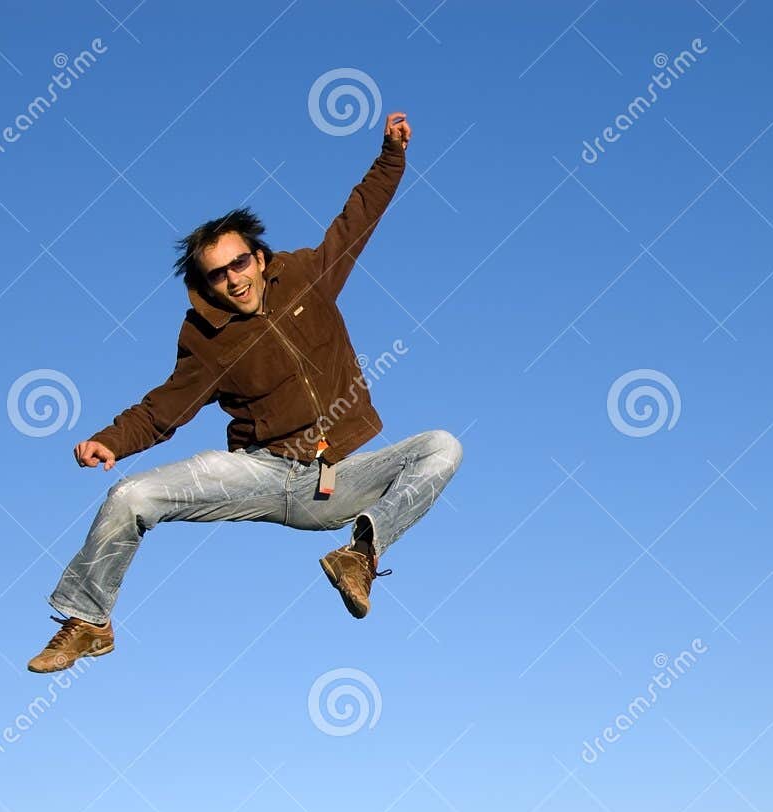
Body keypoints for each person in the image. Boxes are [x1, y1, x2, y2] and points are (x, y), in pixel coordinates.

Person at [27, 111, 461, 674]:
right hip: (259, 473)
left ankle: (360, 555)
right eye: (218, 275)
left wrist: (391, 157)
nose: (235, 280)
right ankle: (88, 621)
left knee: (442, 446)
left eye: (240, 264)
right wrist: (112, 439)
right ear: (204, 284)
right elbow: (166, 406)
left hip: (336, 480)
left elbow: (356, 221)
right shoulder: (206, 340)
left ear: (259, 259)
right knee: (130, 496)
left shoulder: (309, 275)